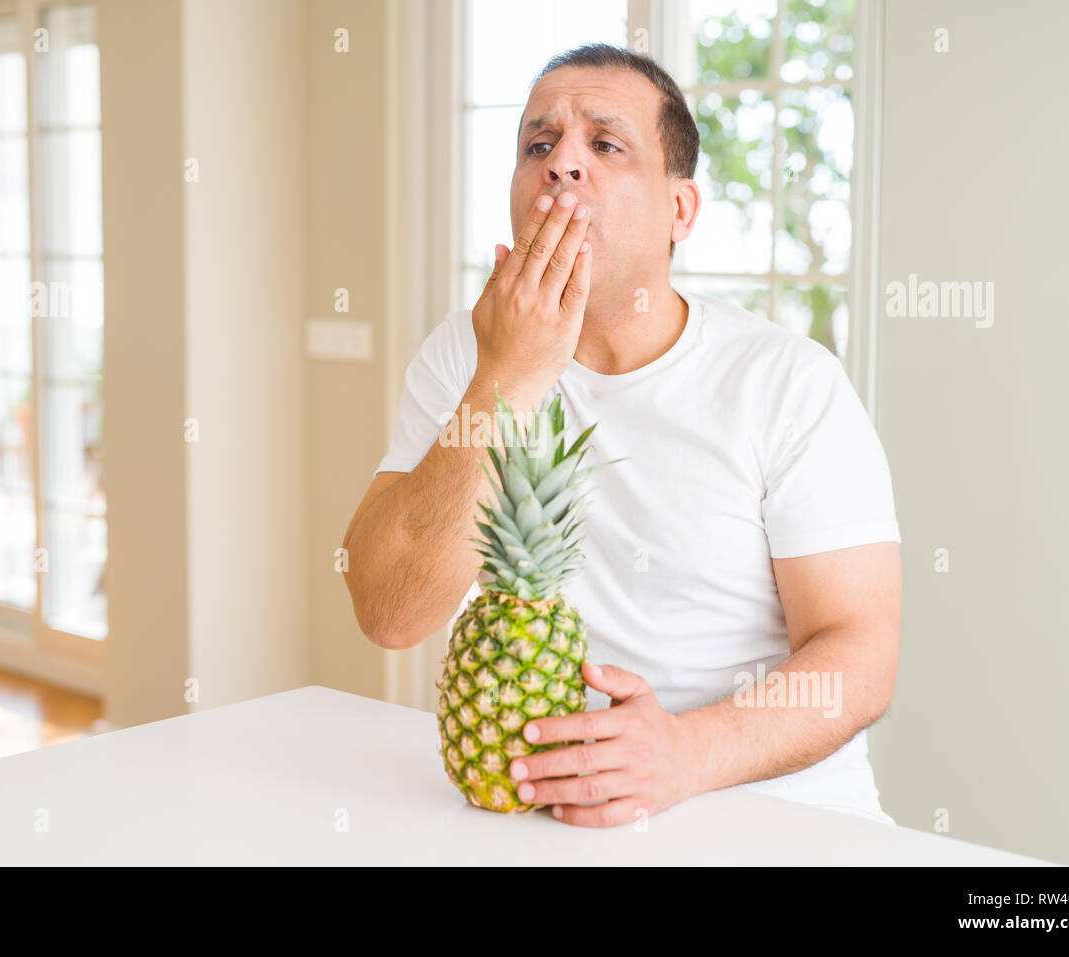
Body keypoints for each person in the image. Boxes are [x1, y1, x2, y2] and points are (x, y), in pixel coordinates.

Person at [342, 43, 902, 828]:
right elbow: (389, 610)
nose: (562, 162)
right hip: (560, 823)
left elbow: (861, 652)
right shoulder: (465, 357)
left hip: (785, 822)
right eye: (539, 144)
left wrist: (685, 753)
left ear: (681, 211)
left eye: (605, 144)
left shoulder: (788, 383)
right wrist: (510, 377)